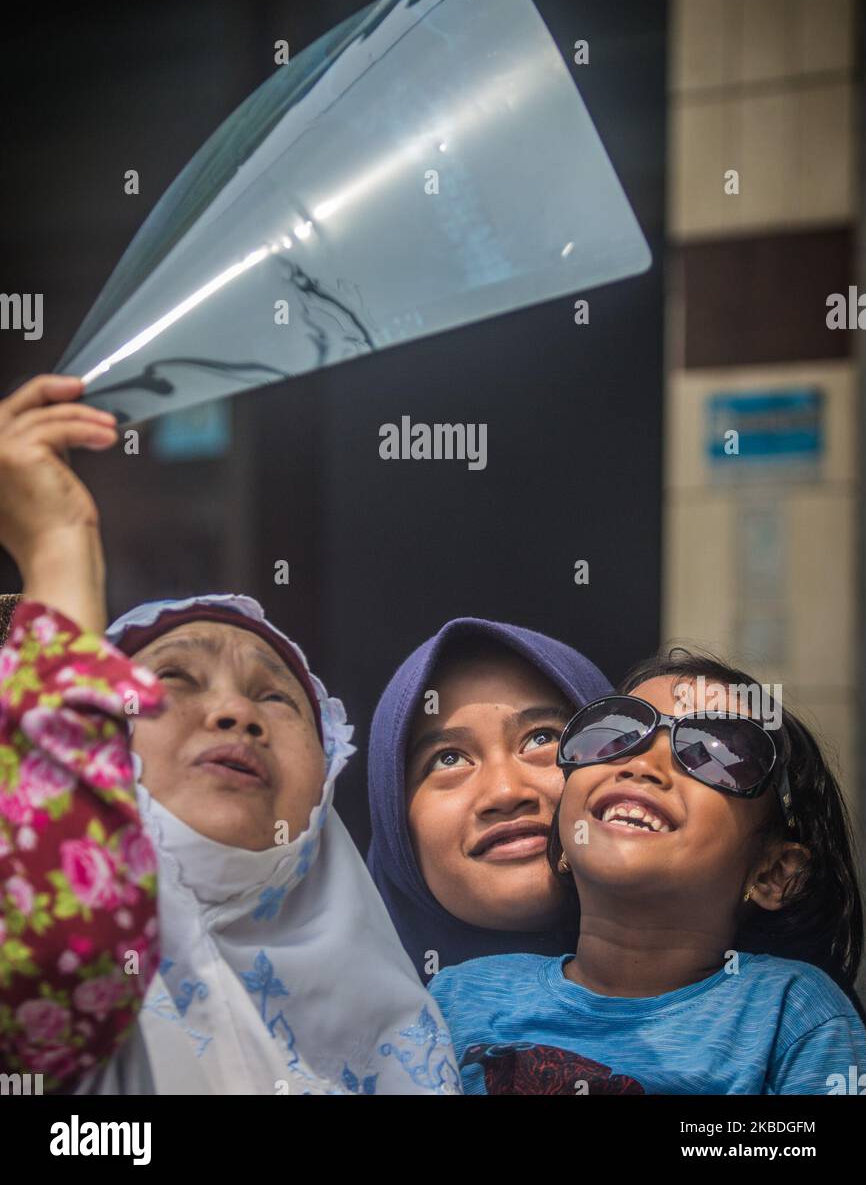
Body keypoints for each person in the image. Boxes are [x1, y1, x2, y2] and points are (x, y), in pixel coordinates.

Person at [0, 374, 460, 1094]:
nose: (235, 716)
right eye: (173, 681)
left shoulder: (416, 1041)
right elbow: (48, 960)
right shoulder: (36, 950)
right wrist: (58, 545)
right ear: (92, 722)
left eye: (277, 698)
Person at [428, 653, 866, 1094]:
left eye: (715, 754)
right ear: (562, 845)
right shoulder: (458, 996)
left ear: (774, 874)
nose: (642, 764)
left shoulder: (794, 1013)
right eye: (614, 733)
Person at [367, 622, 611, 980]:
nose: (505, 793)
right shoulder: (321, 1024)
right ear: (396, 829)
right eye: (447, 759)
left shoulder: (719, 1010)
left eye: (542, 738)